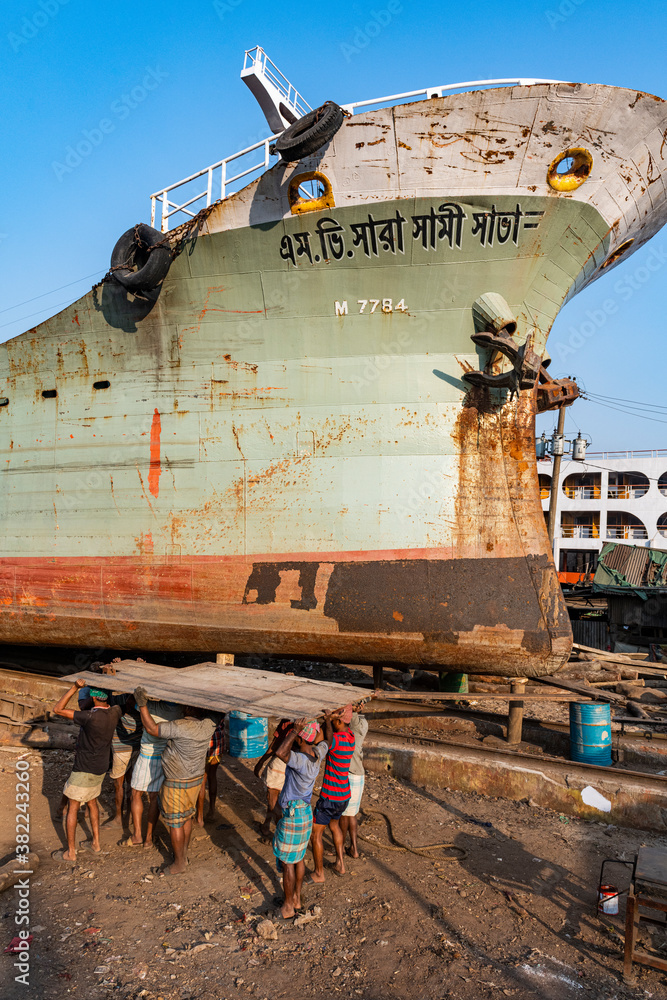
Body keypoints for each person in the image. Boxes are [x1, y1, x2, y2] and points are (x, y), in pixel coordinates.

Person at [134, 687, 219, 874]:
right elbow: (219, 712)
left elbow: (151, 728)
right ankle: (183, 854)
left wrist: (142, 705)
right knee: (187, 817)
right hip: (195, 780)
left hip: (176, 783)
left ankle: (179, 863)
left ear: (187, 709)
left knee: (175, 823)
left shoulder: (180, 727)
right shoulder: (208, 725)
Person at [51, 680, 122, 862]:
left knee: (73, 808)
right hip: (100, 767)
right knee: (92, 802)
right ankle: (95, 843)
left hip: (84, 767)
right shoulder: (115, 712)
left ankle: (71, 852)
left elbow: (57, 709)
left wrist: (75, 687)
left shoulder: (89, 716)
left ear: (92, 696)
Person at [272, 718, 327, 919]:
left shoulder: (300, 759)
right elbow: (323, 740)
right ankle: (295, 898)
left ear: (301, 737)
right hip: (304, 814)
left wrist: (294, 731)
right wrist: (324, 719)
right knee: (299, 858)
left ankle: (287, 907)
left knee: (288, 862)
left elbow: (280, 753)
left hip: (293, 815)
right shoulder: (318, 754)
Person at [125, 697, 183, 848]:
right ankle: (149, 839)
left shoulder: (150, 706)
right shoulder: (179, 710)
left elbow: (132, 702)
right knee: (154, 797)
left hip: (146, 755)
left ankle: (137, 834)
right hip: (164, 756)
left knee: (136, 793)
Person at [310, 704, 355, 882]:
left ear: (338, 721)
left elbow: (320, 741)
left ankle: (319, 873)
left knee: (316, 833)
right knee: (335, 826)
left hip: (329, 796)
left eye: (334, 720)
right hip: (344, 795)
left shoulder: (335, 740)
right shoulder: (351, 737)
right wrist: (330, 721)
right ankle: (340, 863)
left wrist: (325, 722)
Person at [253, 718, 292, 842]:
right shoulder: (306, 722)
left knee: (273, 801)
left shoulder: (287, 722)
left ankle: (282, 834)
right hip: (292, 763)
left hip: (279, 764)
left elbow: (274, 745)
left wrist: (260, 762)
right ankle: (266, 825)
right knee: (273, 800)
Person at [108, 693, 143, 827]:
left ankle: (120, 817)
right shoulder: (143, 707)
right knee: (130, 784)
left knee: (120, 784)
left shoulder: (119, 706)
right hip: (134, 747)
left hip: (123, 748)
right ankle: (127, 815)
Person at [340, 703, 368, 859]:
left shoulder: (355, 724)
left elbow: (350, 715)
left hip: (350, 774)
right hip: (359, 774)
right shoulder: (363, 723)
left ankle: (341, 846)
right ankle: (354, 848)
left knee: (345, 815)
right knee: (352, 815)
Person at [196, 715, 225, 826]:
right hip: (219, 742)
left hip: (205, 743)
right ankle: (212, 811)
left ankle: (199, 817)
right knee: (212, 776)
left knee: (202, 781)